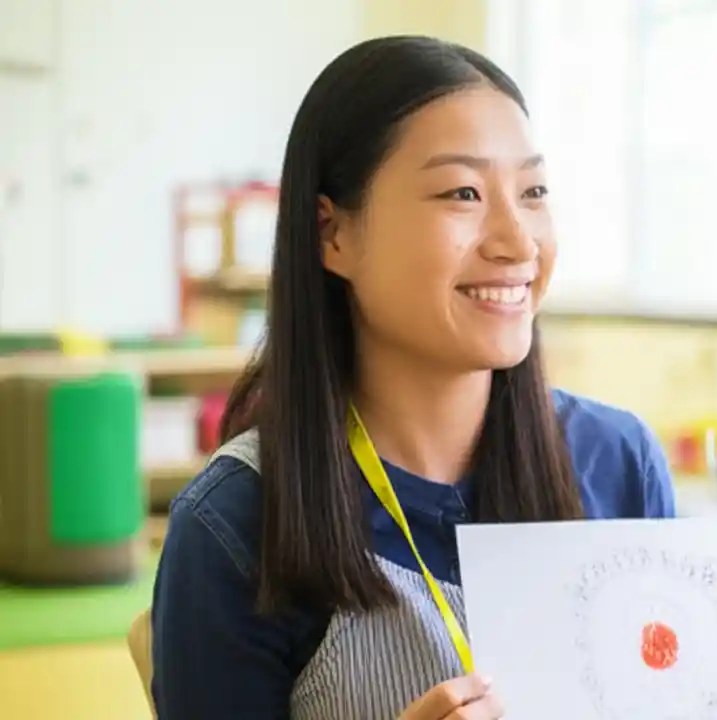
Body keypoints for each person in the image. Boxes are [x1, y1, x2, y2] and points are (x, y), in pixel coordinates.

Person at [150, 36, 675, 720]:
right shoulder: (234, 524)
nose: (518, 242)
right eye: (463, 193)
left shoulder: (618, 462)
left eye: (534, 192)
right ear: (330, 235)